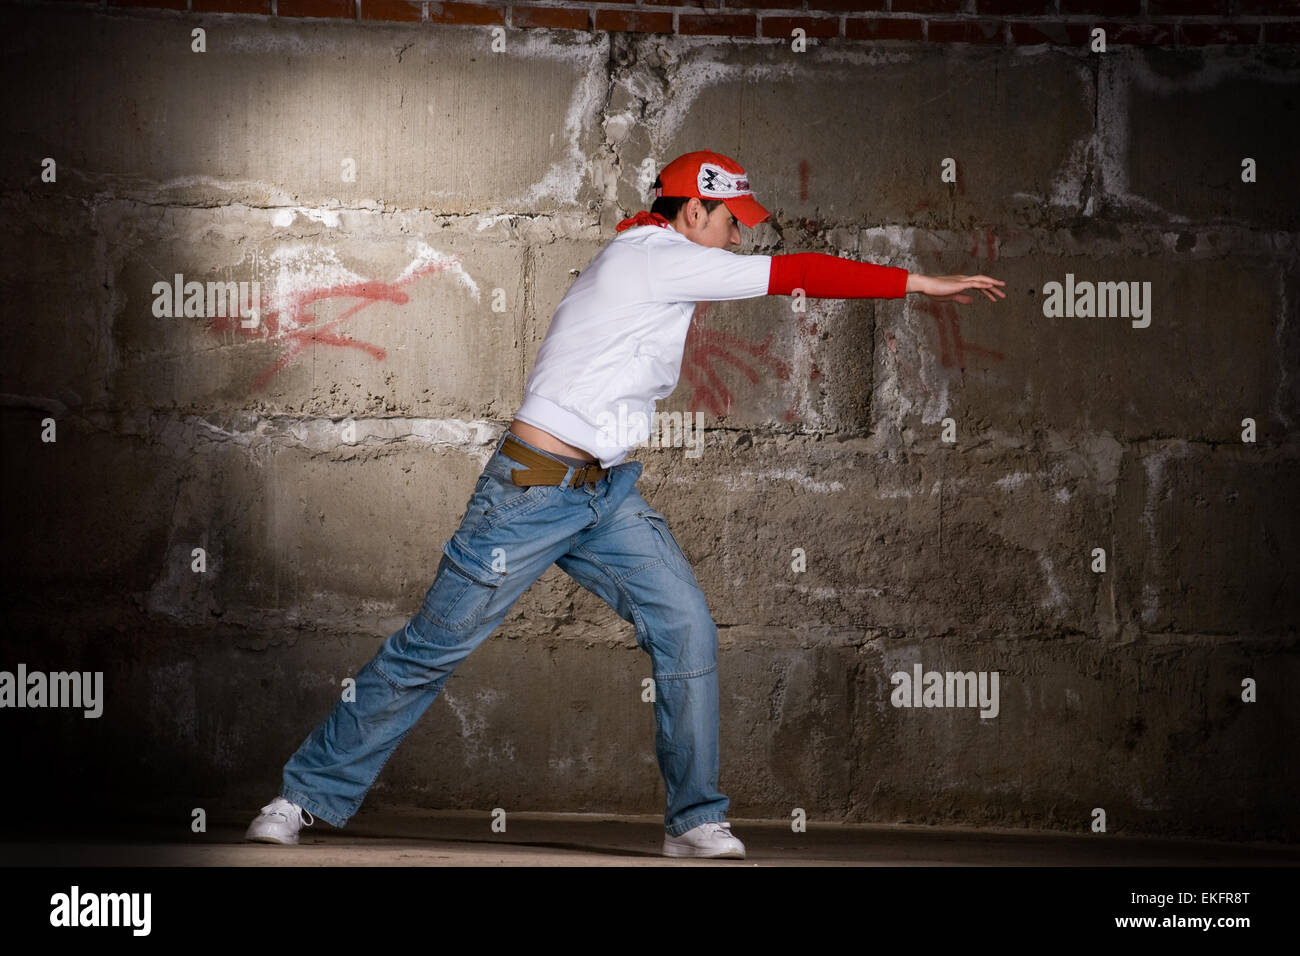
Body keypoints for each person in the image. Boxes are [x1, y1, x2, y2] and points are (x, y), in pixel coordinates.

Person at [245, 150, 1005, 859]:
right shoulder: (654, 259)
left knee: (686, 628)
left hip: (604, 494)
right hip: (530, 490)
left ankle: (695, 817)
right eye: (731, 218)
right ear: (691, 212)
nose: (739, 233)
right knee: (433, 648)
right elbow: (796, 271)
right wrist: (923, 285)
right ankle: (300, 795)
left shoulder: (663, 259)